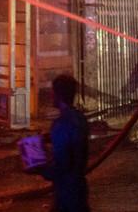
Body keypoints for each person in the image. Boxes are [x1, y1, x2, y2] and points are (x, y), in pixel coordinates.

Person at [39, 74, 89, 212]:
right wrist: (50, 137)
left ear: (57, 95)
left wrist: (39, 167)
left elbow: (61, 166)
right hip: (79, 189)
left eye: (52, 92)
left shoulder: (61, 124)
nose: (51, 95)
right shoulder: (80, 118)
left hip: (67, 194)